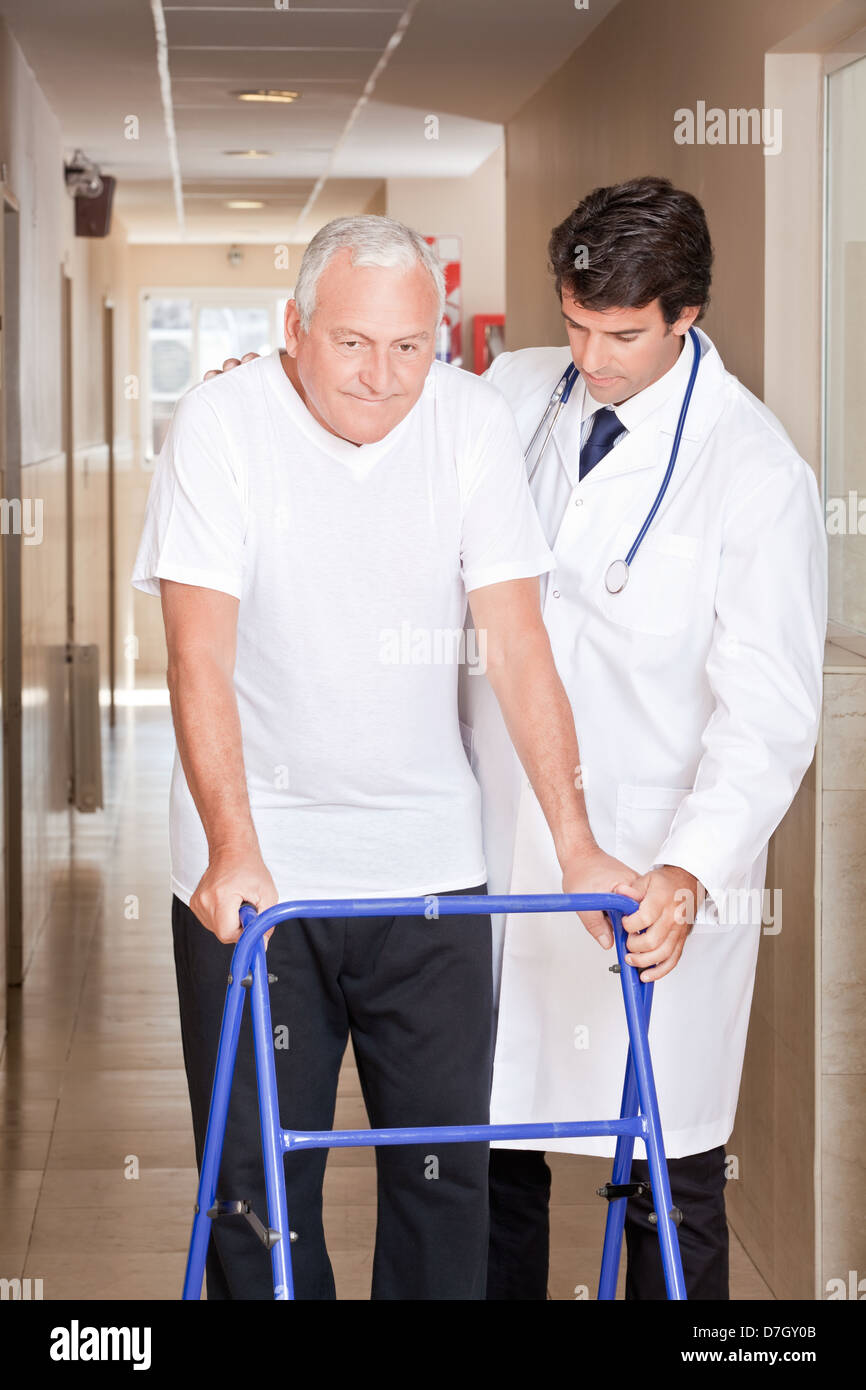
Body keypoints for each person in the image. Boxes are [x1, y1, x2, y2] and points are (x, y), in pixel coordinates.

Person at [131, 214, 636, 1301]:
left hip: (429, 875)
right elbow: (197, 654)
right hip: (257, 883)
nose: (380, 376)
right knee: (255, 1196)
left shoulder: (466, 424)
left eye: (410, 346)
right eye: (352, 343)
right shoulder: (220, 423)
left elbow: (516, 643)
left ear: (438, 340)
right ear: (295, 327)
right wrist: (231, 844)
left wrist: (577, 843)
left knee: (442, 1180)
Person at [465, 176, 827, 1300]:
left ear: (685, 316)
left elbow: (767, 711)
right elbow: (379, 418)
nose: (590, 355)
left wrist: (686, 865)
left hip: (645, 866)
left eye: (620, 334)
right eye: (573, 323)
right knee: (494, 1158)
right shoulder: (515, 391)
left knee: (670, 1171)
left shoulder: (755, 472)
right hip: (504, 846)